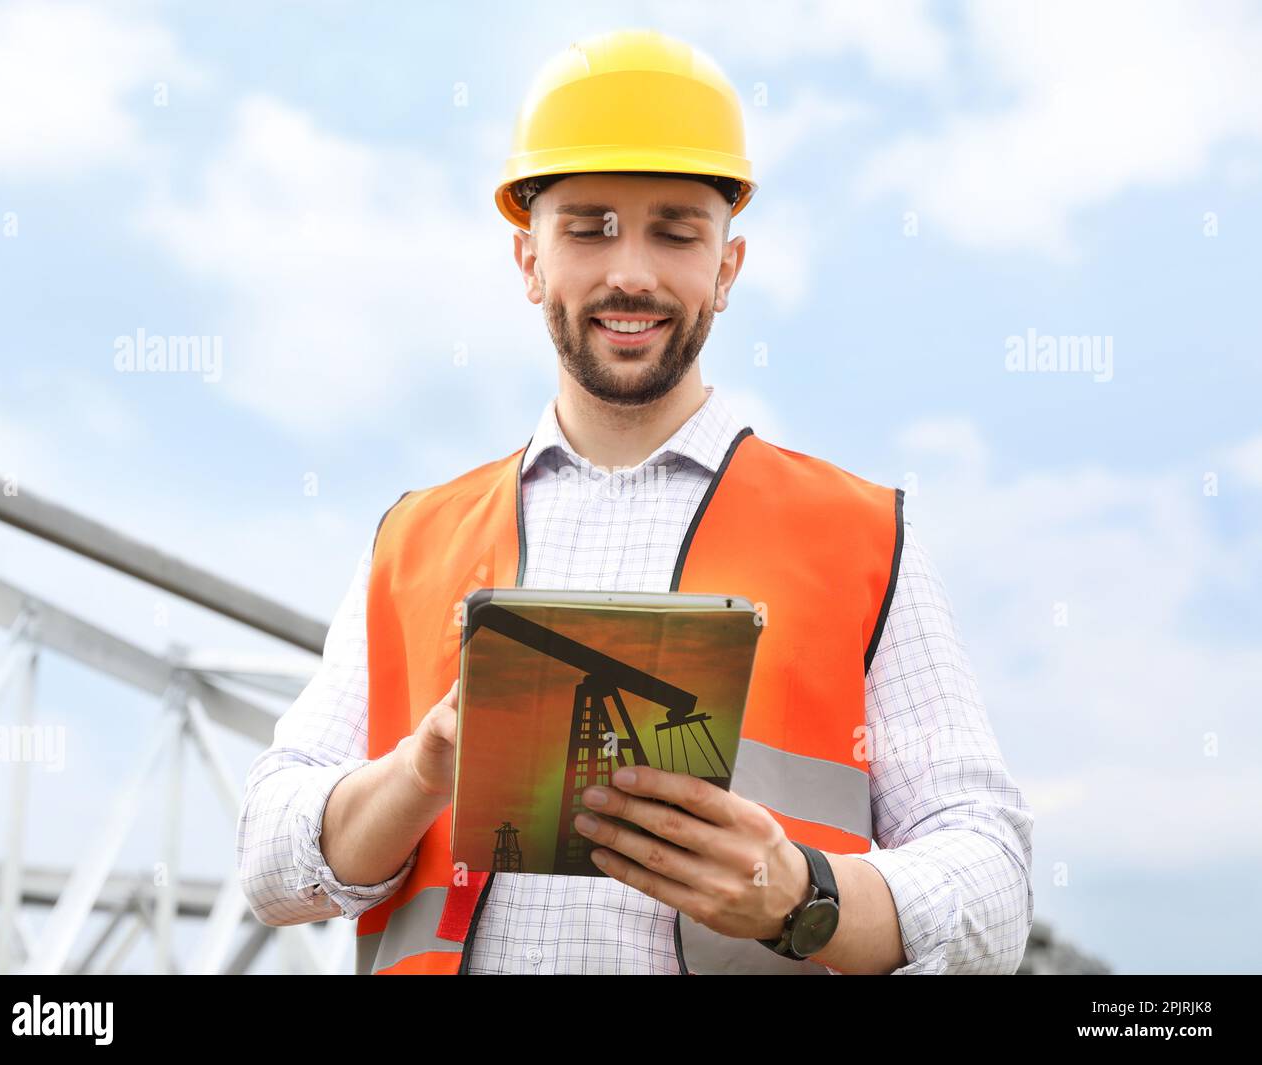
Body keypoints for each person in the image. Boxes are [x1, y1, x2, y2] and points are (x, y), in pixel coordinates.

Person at [236, 28, 1033, 975]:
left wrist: (803, 893)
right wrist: (417, 774)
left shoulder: (863, 539)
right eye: (588, 227)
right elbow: (269, 864)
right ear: (528, 261)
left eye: (676, 230)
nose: (632, 273)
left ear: (727, 269)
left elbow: (993, 880)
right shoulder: (413, 541)